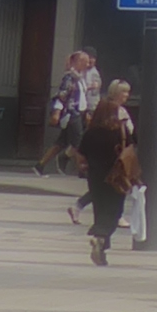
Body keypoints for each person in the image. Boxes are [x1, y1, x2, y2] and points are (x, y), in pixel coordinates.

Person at [78, 79, 140, 265]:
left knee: (100, 209)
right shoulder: (119, 130)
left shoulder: (91, 132)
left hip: (95, 176)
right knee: (114, 211)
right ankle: (100, 235)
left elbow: (82, 153)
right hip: (116, 175)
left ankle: (101, 250)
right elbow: (132, 144)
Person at [48, 45, 101, 219]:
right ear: (77, 62)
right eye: (84, 62)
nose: (87, 65)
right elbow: (62, 95)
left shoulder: (79, 77)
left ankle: (66, 161)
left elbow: (83, 94)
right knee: (79, 142)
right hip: (73, 114)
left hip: (81, 113)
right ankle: (83, 168)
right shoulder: (70, 77)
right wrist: (56, 111)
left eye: (88, 62)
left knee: (74, 142)